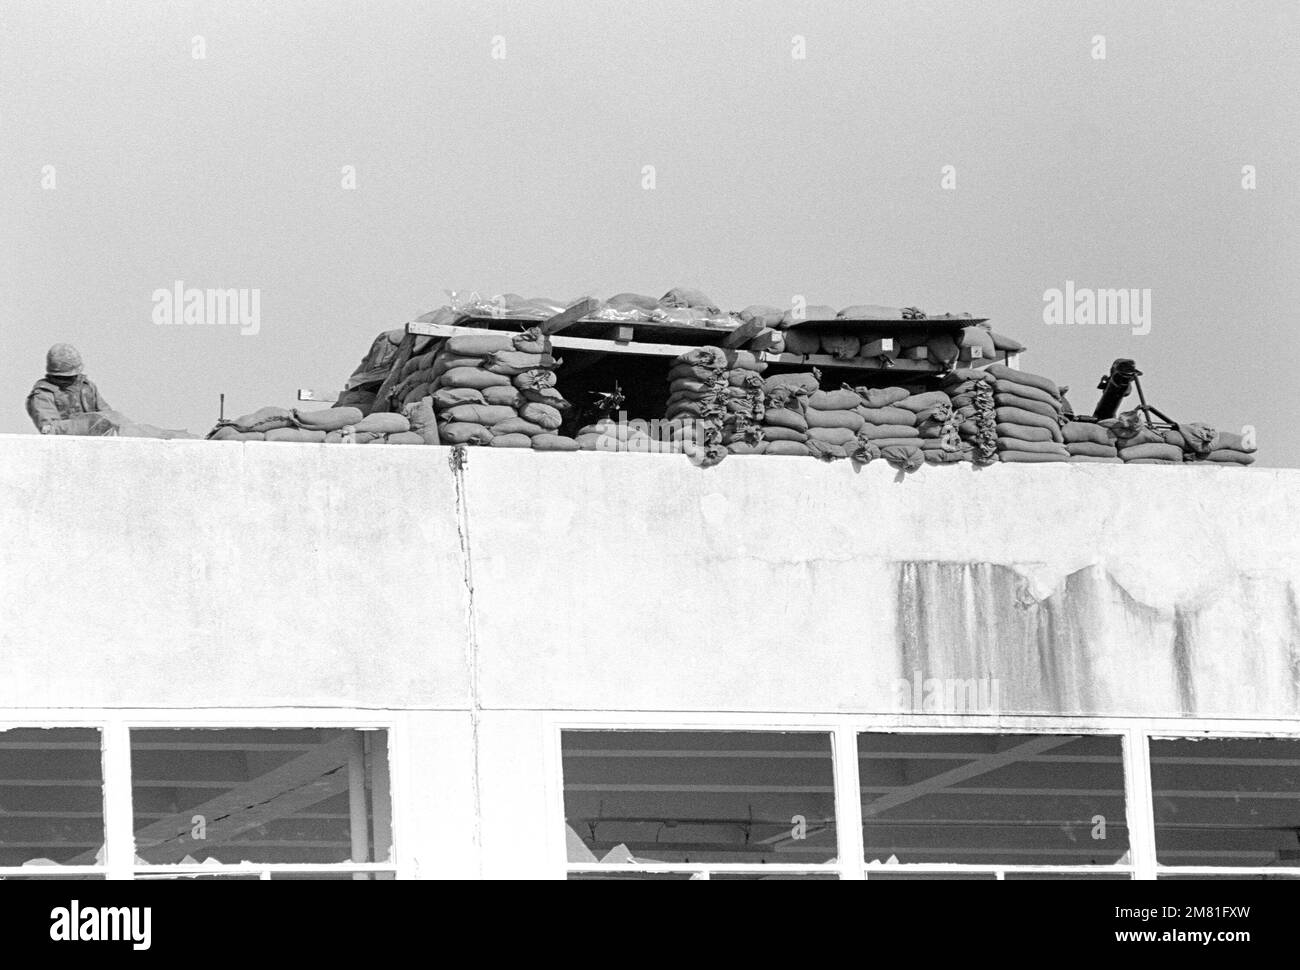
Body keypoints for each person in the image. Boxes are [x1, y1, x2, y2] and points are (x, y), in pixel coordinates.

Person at [26, 343, 115, 434]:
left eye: (73, 376)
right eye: (64, 377)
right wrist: (87, 424)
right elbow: (50, 429)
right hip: (63, 445)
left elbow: (108, 417)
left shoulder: (87, 387)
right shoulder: (43, 393)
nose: (71, 380)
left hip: (93, 444)